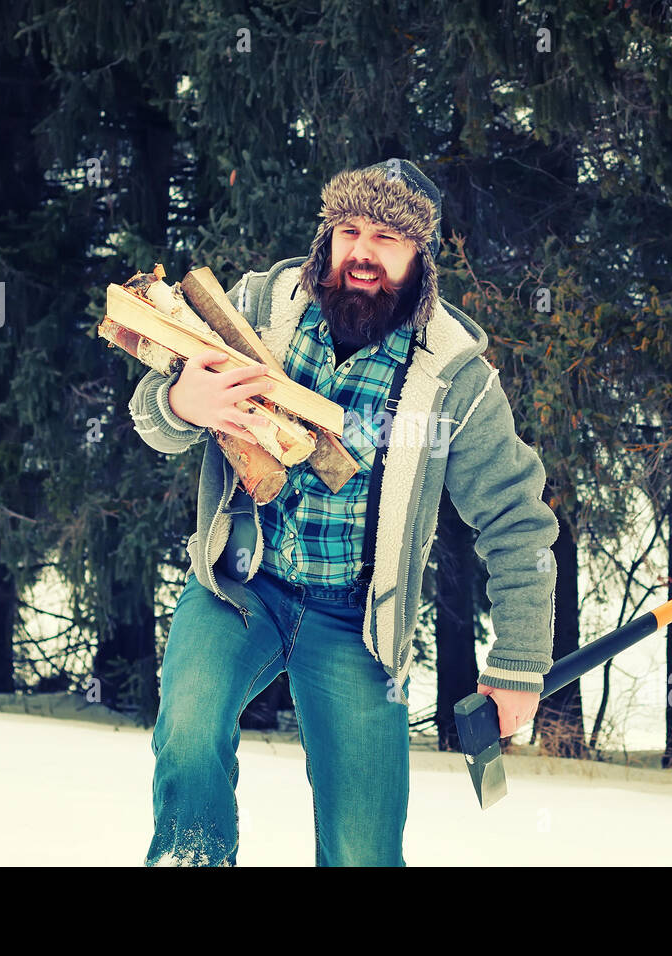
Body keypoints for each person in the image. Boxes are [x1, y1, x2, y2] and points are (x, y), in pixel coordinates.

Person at [129, 158, 559, 866]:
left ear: (420, 255)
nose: (362, 251)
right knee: (188, 728)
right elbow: (151, 415)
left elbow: (516, 520)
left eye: (388, 237)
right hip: (242, 587)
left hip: (355, 621)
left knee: (363, 851)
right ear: (328, 235)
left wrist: (517, 662)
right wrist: (181, 404)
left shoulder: (452, 375)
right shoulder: (259, 307)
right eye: (350, 229)